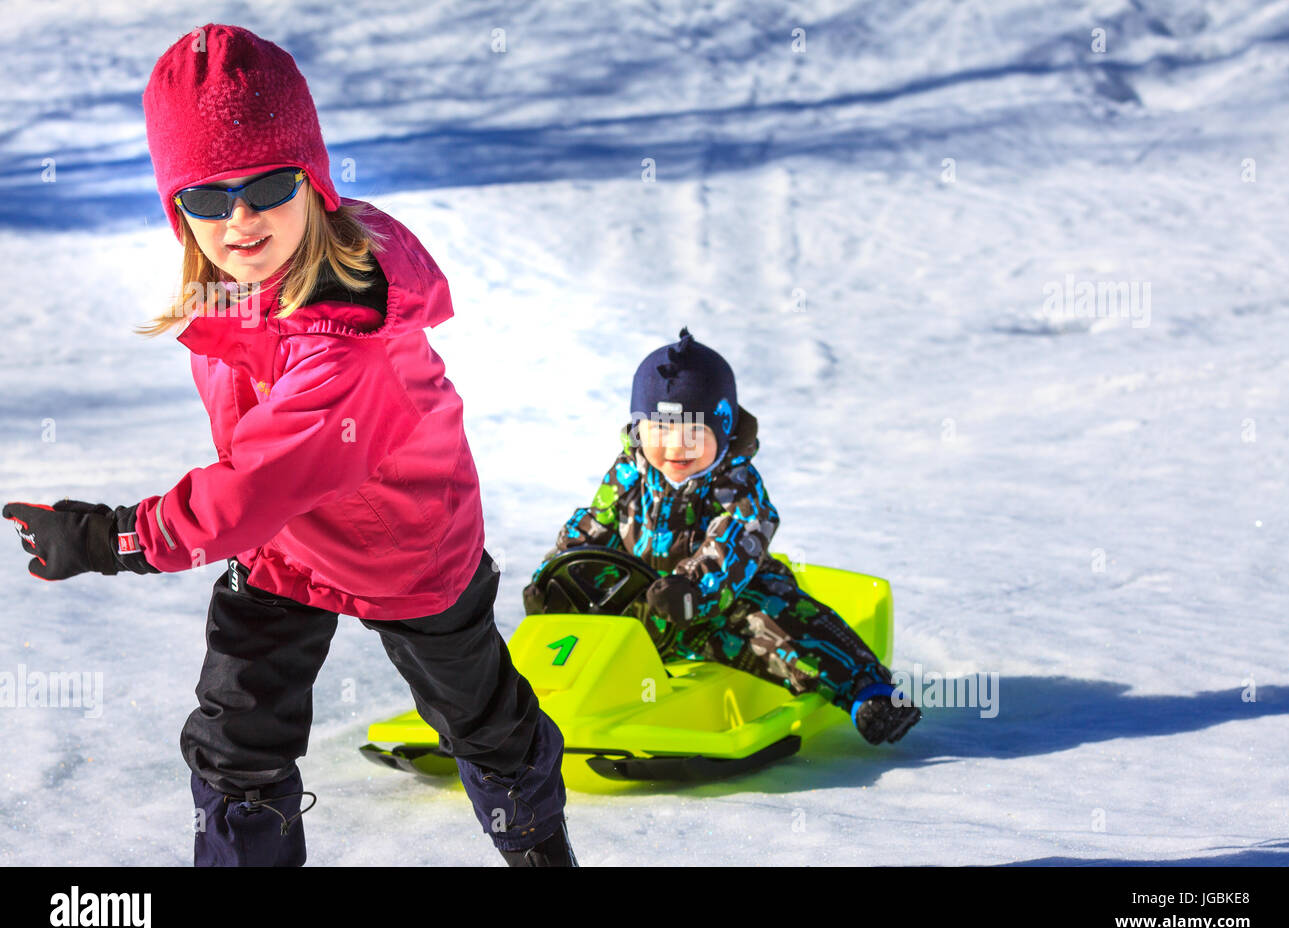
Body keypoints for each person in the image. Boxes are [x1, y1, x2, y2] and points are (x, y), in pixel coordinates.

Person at [2, 24, 575, 867]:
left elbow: (252, 484)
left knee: (479, 716)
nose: (238, 218)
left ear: (313, 182)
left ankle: (536, 847)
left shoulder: (349, 337)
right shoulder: (240, 289)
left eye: (268, 183)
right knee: (236, 733)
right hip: (281, 551)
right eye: (205, 196)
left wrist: (108, 535)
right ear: (177, 210)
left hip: (404, 544)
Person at [524, 327, 921, 746]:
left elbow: (737, 538)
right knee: (576, 621)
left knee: (780, 615)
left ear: (724, 430)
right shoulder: (626, 475)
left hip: (721, 607)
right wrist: (558, 576)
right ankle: (530, 703)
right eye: (660, 430)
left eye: (694, 432)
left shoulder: (737, 484)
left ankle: (867, 691)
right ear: (639, 431)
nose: (676, 446)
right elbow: (592, 527)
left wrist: (696, 588)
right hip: (643, 609)